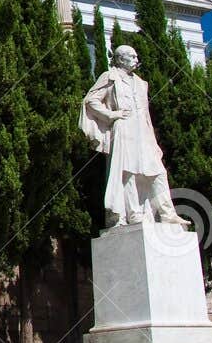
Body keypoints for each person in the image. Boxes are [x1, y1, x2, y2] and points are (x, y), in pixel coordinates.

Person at [79, 45, 184, 228]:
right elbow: (91, 100)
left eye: (136, 56)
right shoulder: (110, 76)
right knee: (128, 171)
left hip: (143, 130)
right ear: (121, 59)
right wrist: (112, 114)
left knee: (158, 171)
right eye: (132, 56)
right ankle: (134, 214)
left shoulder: (140, 82)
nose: (136, 59)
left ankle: (168, 213)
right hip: (123, 128)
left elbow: (146, 113)